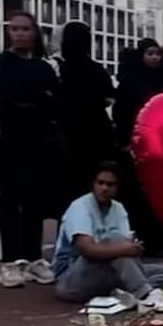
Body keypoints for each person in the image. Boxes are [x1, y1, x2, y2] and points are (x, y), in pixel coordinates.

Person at [0, 12, 64, 288]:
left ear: (34, 33)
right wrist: (33, 101)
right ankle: (10, 261)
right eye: (14, 29)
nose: (19, 33)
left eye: (25, 29)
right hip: (10, 141)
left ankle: (34, 258)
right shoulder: (2, 63)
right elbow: (2, 98)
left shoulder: (44, 67)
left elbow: (54, 101)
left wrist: (33, 101)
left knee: (35, 200)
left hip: (39, 141)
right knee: (10, 199)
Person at [53, 161, 163, 309]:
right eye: (100, 183)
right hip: (70, 279)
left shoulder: (118, 208)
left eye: (110, 185)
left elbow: (126, 249)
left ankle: (122, 291)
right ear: (93, 184)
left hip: (105, 272)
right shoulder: (80, 206)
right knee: (114, 242)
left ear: (117, 187)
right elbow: (87, 249)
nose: (104, 188)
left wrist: (134, 248)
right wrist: (126, 248)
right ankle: (145, 295)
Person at [111, 38, 163, 256]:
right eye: (150, 53)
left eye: (157, 53)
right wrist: (126, 141)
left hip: (161, 146)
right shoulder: (130, 81)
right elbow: (122, 114)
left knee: (160, 193)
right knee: (138, 195)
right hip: (136, 147)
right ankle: (139, 240)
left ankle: (160, 241)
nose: (154, 58)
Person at [54, 21, 116, 205]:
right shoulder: (97, 70)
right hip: (96, 132)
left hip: (67, 134)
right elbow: (108, 97)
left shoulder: (60, 69)